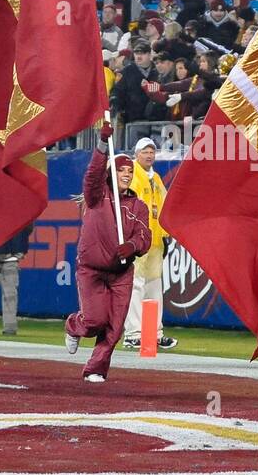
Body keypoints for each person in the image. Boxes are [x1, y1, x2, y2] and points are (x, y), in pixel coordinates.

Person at [65, 122, 151, 382]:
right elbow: (92, 174)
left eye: (129, 170)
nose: (126, 174)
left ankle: (95, 368)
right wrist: (102, 145)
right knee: (94, 321)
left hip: (121, 272)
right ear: (111, 173)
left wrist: (133, 246)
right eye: (121, 170)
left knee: (114, 328)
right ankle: (73, 325)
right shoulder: (96, 195)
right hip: (92, 269)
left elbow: (144, 236)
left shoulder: (139, 206)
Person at [122, 137, 177, 351]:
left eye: (152, 151)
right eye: (145, 151)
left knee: (154, 287)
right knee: (135, 285)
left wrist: (165, 233)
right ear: (137, 154)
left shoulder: (156, 178)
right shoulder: (132, 175)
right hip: (137, 239)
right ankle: (134, 333)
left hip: (154, 242)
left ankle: (153, 333)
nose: (149, 155)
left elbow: (163, 206)